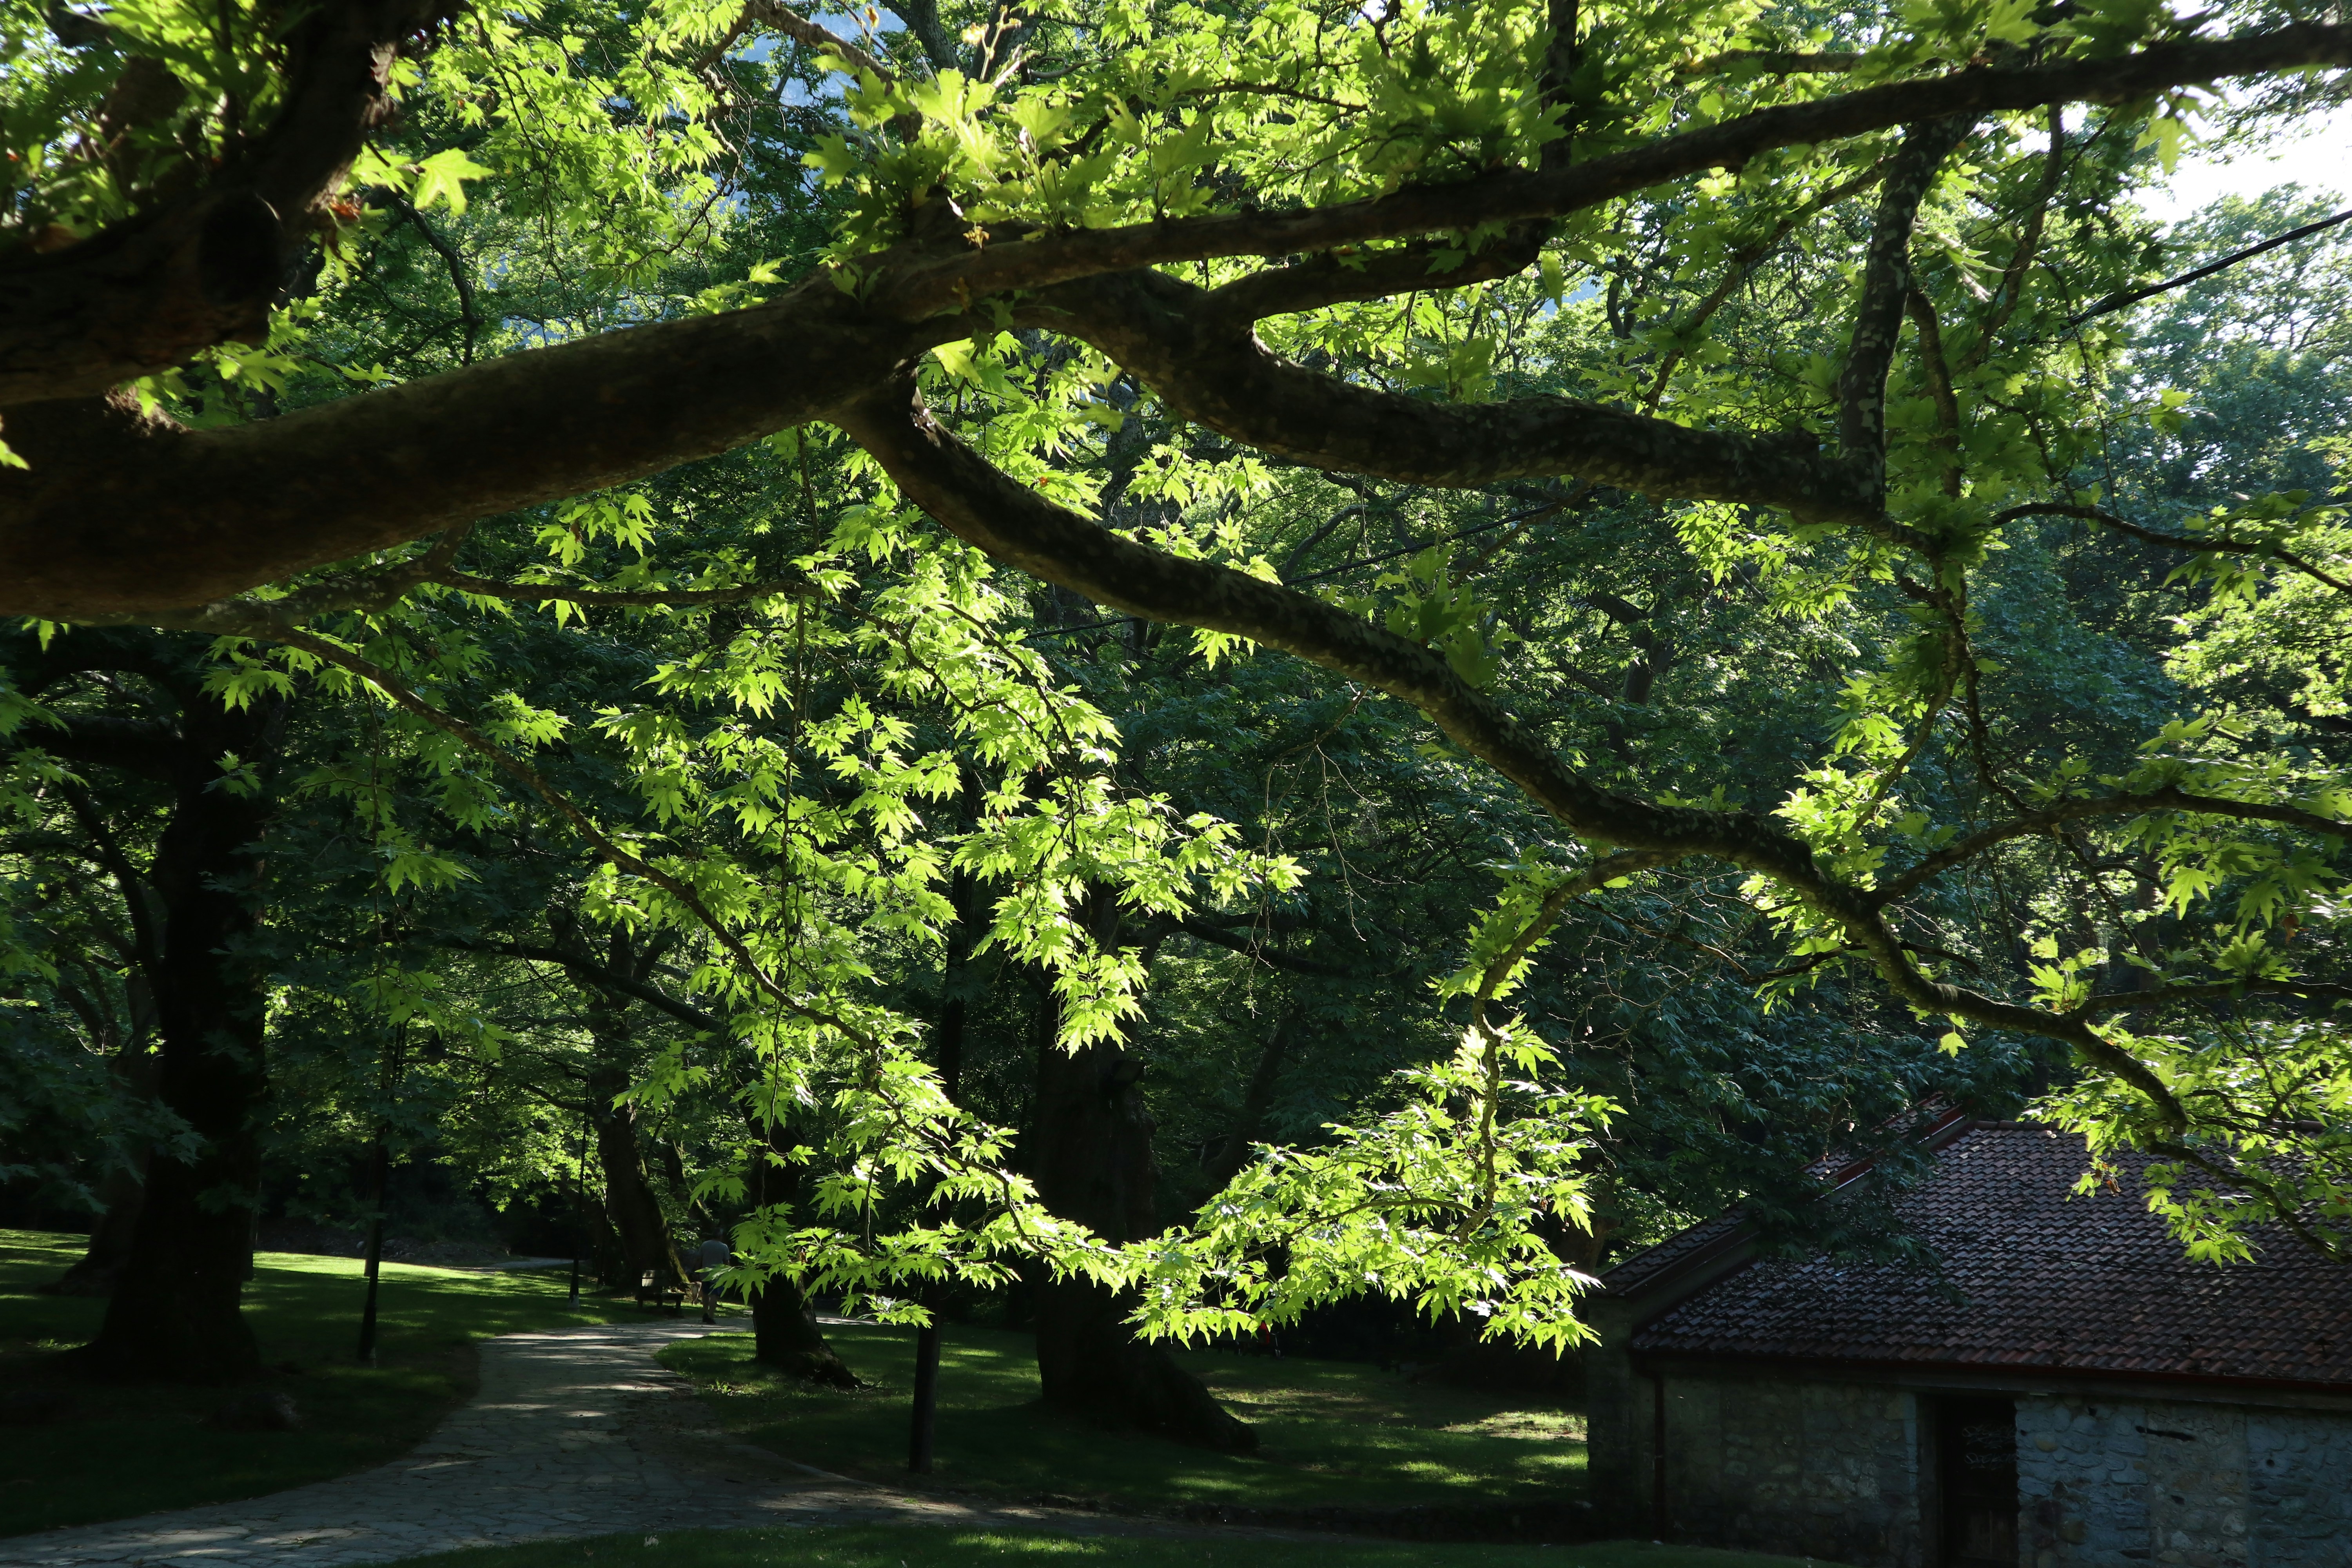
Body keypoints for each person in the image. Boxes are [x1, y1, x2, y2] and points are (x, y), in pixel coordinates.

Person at [697, 1234, 731, 1324]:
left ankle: (705, 1313)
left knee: (705, 1294)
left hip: (705, 1272)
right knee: (713, 1295)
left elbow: (700, 1258)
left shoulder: (705, 1245)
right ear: (721, 1236)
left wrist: (697, 1270)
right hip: (717, 1274)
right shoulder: (724, 1247)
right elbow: (727, 1262)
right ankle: (711, 1316)